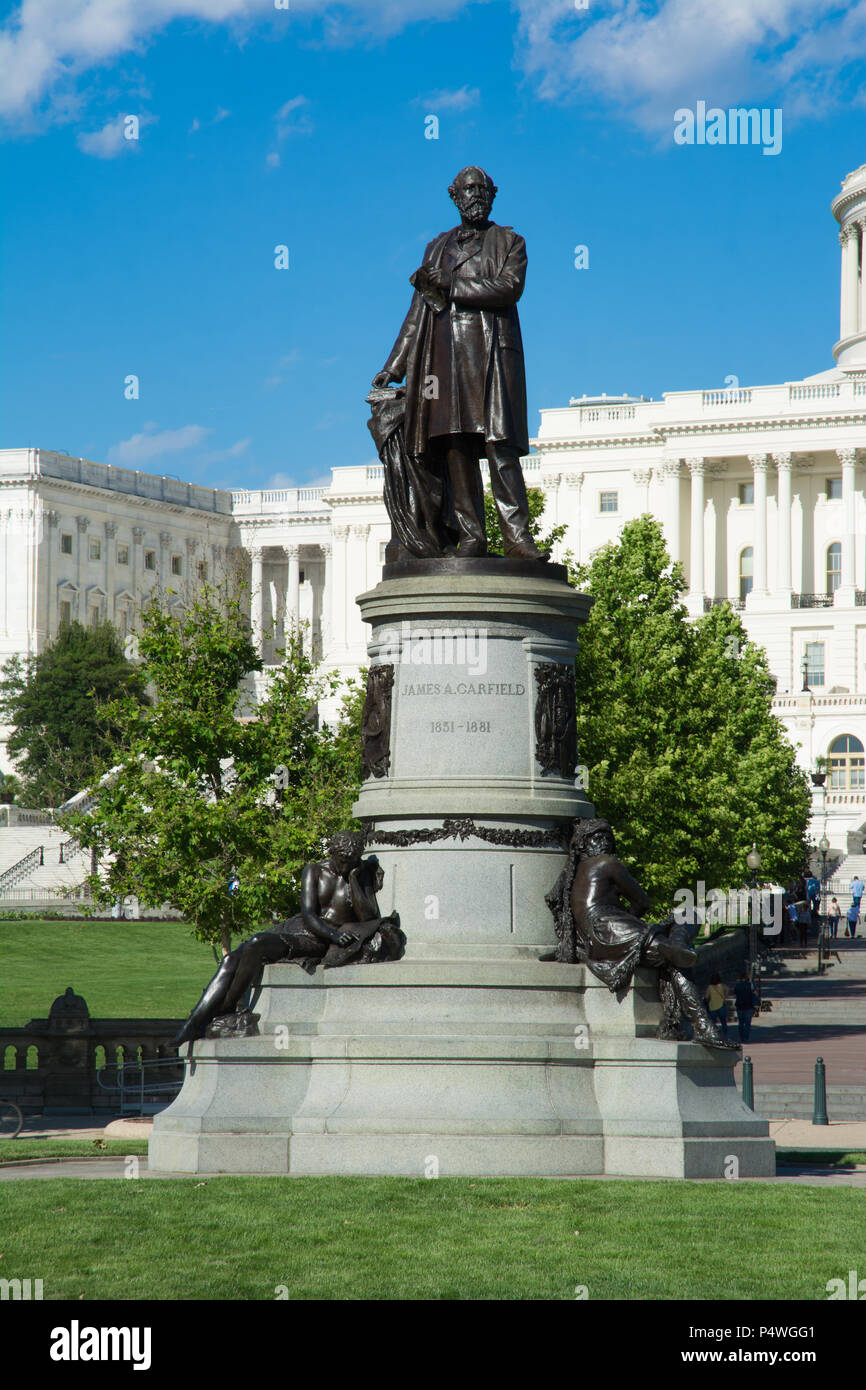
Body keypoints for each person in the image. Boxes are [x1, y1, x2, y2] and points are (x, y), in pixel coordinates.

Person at [372, 166, 546, 561]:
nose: (475, 196)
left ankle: (517, 538)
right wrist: (394, 366)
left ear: (493, 194)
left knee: (500, 446)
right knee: (456, 447)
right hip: (444, 359)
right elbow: (418, 311)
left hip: (491, 356)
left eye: (482, 190)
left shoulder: (510, 241)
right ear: (454, 195)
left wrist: (453, 286)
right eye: (468, 190)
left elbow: (508, 288)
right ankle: (472, 536)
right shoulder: (436, 247)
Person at [172, 831, 405, 1046]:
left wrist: (354, 879)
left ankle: (225, 1009)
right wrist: (334, 933)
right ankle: (194, 1023)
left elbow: (369, 916)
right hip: (299, 928)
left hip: (314, 942)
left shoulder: (360, 876)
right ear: (331, 853)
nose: (345, 866)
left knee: (256, 944)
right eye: (342, 860)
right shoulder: (314, 871)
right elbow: (309, 914)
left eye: (351, 861)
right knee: (231, 959)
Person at [543, 818, 737, 1049]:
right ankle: (702, 1023)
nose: (604, 841)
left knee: (675, 948)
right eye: (597, 837)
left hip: (596, 938)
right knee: (686, 921)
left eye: (607, 837)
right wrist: (629, 917)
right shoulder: (607, 862)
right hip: (612, 927)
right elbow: (643, 901)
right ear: (583, 843)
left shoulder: (571, 873)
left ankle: (675, 945)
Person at [733, 971, 759, 1043]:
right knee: (747, 1023)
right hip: (749, 1006)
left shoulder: (737, 985)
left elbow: (735, 995)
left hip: (740, 1005)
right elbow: (755, 993)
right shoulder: (750, 985)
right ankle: (746, 1038)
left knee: (741, 1023)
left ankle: (741, 1037)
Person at [705, 974, 729, 1039]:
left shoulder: (709, 987)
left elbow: (706, 997)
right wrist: (725, 997)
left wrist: (707, 1000)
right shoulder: (722, 986)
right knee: (723, 1021)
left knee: (713, 1022)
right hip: (721, 1005)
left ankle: (714, 1035)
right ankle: (725, 1035)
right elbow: (727, 989)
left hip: (712, 1006)